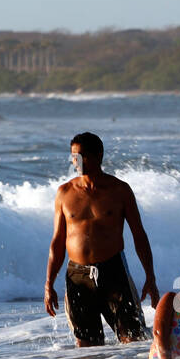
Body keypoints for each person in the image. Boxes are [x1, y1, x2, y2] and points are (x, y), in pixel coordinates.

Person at [45, 132, 158, 347]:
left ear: (98, 156)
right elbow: (57, 242)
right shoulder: (64, 193)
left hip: (114, 271)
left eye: (81, 156)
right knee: (87, 346)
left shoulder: (119, 190)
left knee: (133, 339)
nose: (75, 161)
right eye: (73, 156)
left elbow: (139, 235)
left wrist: (150, 277)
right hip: (77, 276)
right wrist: (49, 284)